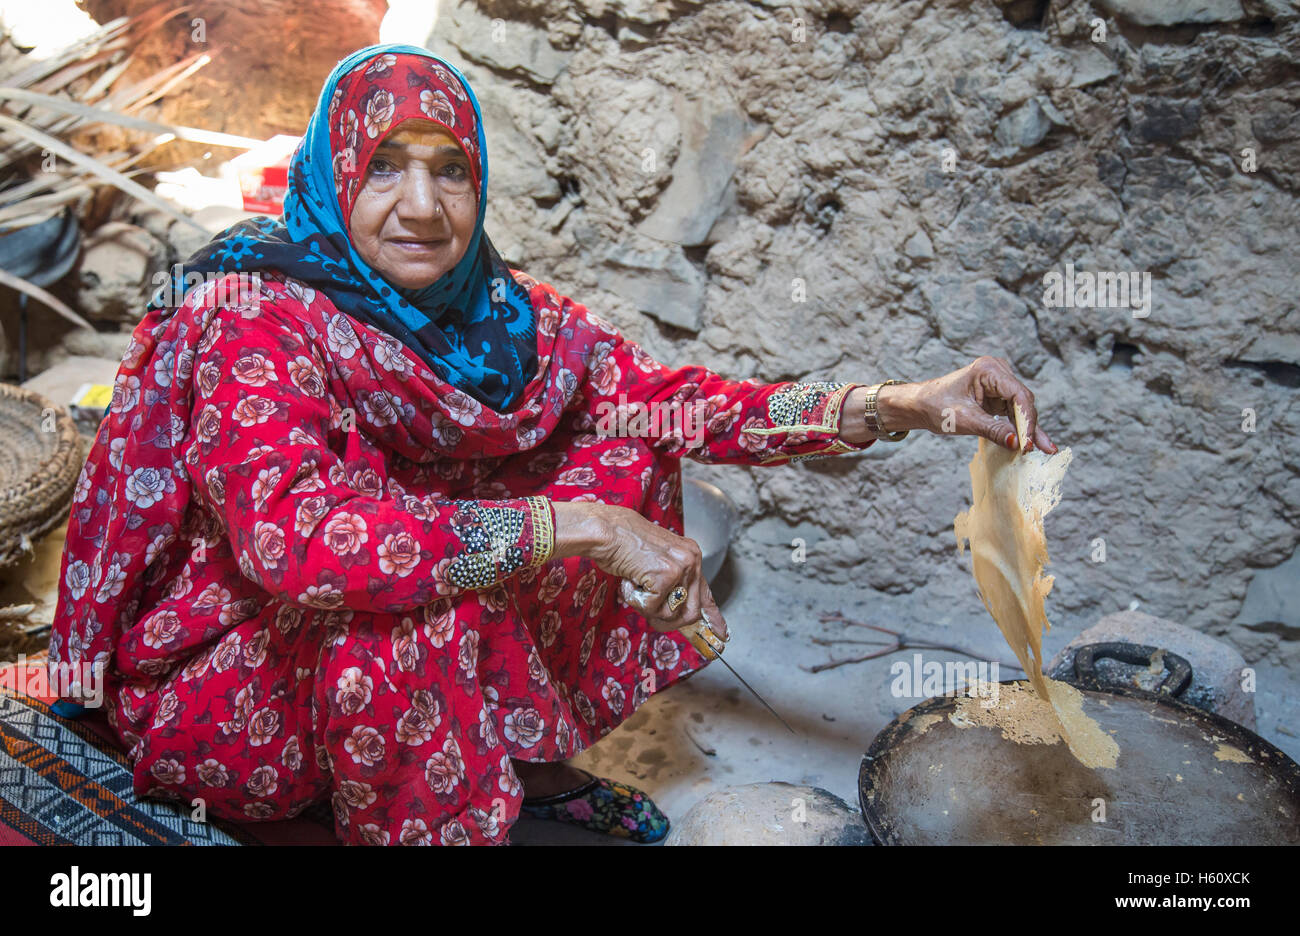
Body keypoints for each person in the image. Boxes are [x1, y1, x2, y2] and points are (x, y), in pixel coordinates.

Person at [48, 44, 1055, 846]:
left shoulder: (500, 315)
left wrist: (898, 403)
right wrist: (580, 528)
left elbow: (674, 404)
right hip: (226, 686)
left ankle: (505, 764)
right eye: (384, 166)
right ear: (331, 174)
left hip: (369, 668)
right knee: (423, 607)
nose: (422, 206)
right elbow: (302, 544)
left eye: (452, 171)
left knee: (622, 453)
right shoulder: (256, 318)